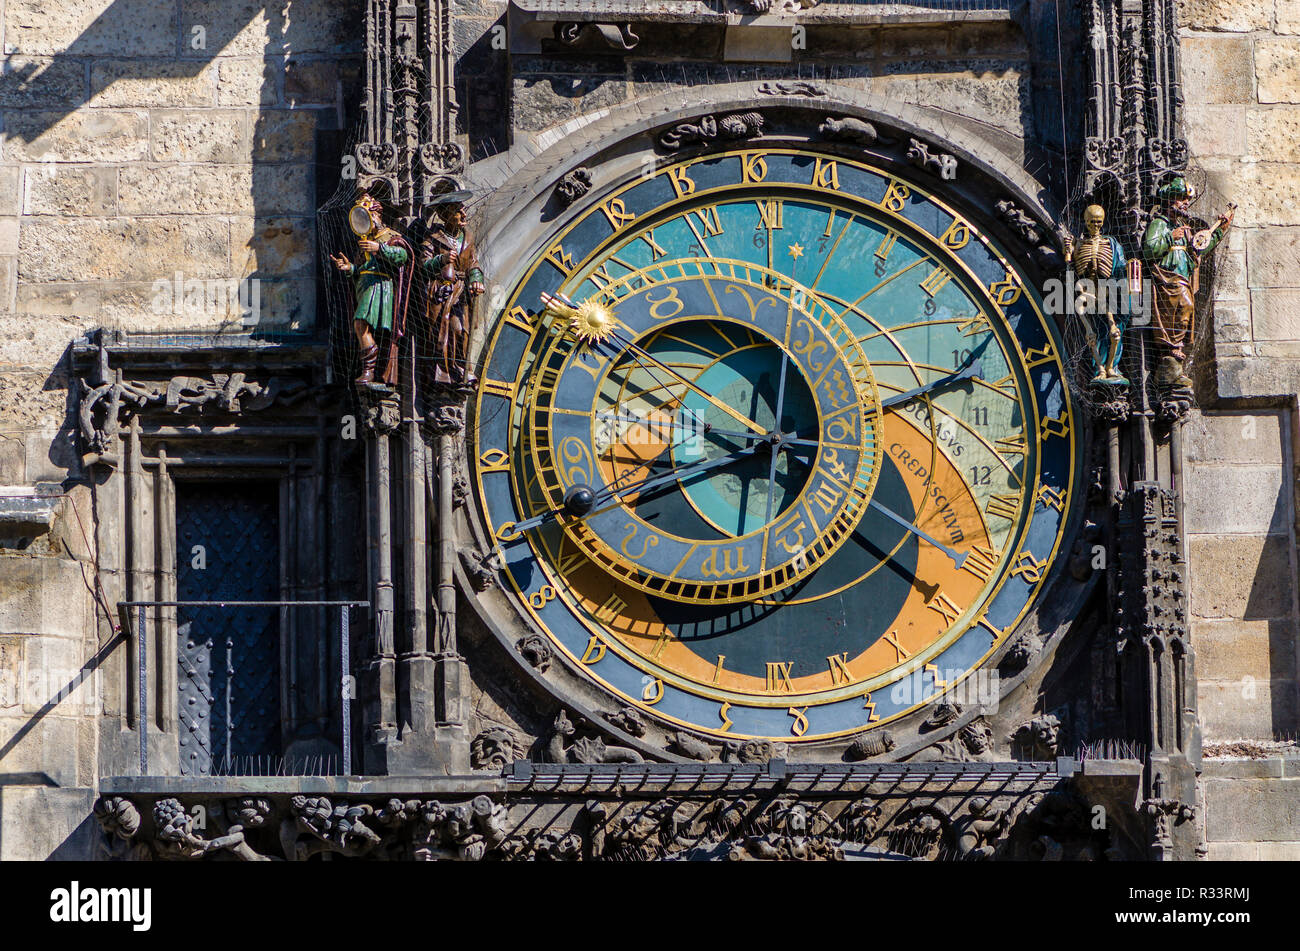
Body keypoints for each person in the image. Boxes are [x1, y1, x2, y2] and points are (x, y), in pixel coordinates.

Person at [1141, 177, 1234, 388]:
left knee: (1184, 311)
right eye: (1180, 199)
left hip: (1183, 280)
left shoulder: (1185, 228)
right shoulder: (1159, 224)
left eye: (1186, 200)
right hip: (1167, 281)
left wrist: (1219, 230)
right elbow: (1148, 250)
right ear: (1169, 201)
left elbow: (1198, 249)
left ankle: (1174, 362)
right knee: (1182, 307)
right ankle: (1168, 360)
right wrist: (1170, 237)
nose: (1184, 203)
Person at [330, 193, 413, 385]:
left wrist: (379, 248)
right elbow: (362, 270)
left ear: (377, 216)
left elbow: (402, 256)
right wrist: (349, 268)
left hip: (380, 287)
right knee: (361, 327)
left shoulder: (391, 236)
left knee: (360, 324)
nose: (367, 221)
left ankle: (369, 370)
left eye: (369, 216)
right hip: (364, 286)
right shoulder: (365, 241)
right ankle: (369, 370)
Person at [420, 191, 485, 392]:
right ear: (446, 215)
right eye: (458, 211)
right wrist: (441, 260)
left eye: (463, 210)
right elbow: (424, 265)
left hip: (462, 292)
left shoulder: (468, 237)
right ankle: (445, 373)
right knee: (447, 330)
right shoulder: (432, 238)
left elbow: (473, 264)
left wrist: (476, 280)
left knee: (463, 330)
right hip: (443, 291)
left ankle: (463, 371)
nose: (464, 215)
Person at [1064, 204, 1129, 384]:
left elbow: (1120, 267)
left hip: (1108, 292)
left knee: (1114, 331)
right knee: (1092, 334)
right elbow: (1070, 267)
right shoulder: (1079, 244)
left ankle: (1111, 367)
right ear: (1085, 222)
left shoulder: (1111, 244)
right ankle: (1100, 368)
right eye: (1092, 222)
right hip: (1085, 292)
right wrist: (1069, 250)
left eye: (1099, 222)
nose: (1096, 226)